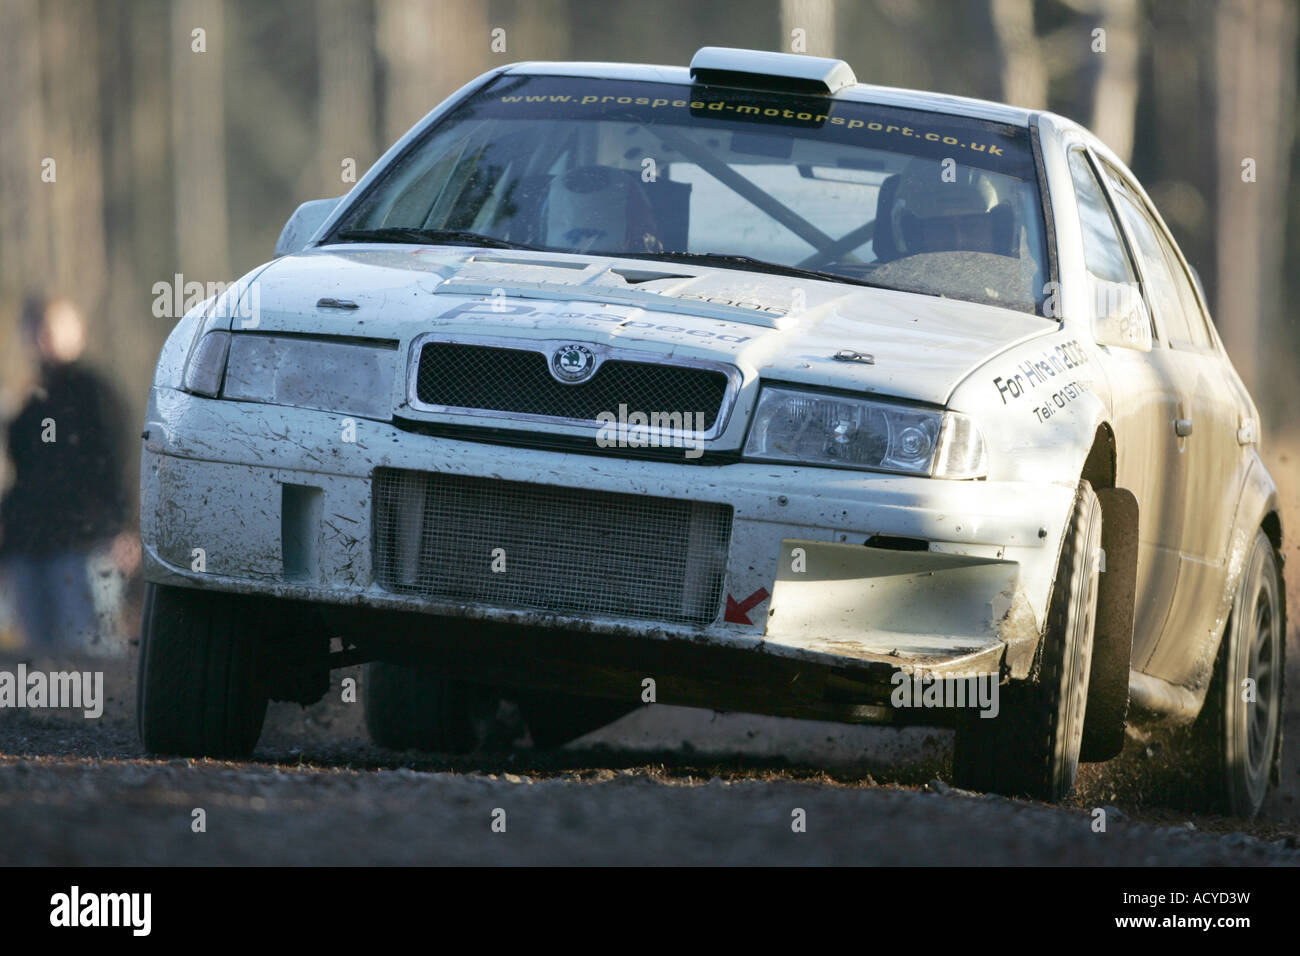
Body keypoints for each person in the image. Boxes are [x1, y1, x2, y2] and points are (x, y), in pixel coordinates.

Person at [0, 296, 137, 650]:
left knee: (93, 656)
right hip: (31, 549)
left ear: (75, 329)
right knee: (38, 661)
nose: (41, 338)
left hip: (86, 546)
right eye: (34, 329)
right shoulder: (30, 404)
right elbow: (24, 475)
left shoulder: (97, 393)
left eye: (50, 327)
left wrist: (125, 528)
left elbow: (123, 461)